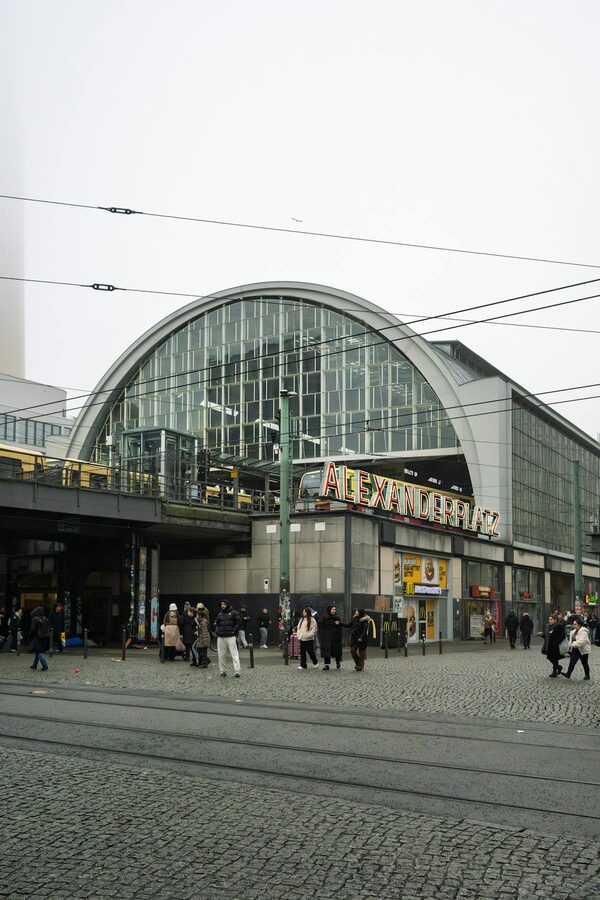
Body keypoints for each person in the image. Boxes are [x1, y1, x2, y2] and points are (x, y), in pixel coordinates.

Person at [214, 600, 242, 677]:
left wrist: (233, 631)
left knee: (234, 654)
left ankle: (237, 671)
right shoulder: (220, 614)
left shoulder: (234, 613)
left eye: (224, 604)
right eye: (221, 604)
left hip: (231, 637)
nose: (222, 605)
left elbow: (239, 623)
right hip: (221, 637)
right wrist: (217, 632)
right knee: (221, 655)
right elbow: (217, 624)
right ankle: (222, 671)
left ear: (227, 604)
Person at [562, 616, 591, 680]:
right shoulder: (572, 632)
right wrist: (569, 646)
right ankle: (568, 674)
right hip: (575, 650)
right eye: (573, 624)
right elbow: (570, 641)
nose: (573, 625)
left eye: (575, 624)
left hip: (583, 650)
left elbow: (582, 642)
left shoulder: (583, 632)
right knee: (572, 662)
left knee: (584, 663)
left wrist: (573, 644)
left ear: (579, 625)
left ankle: (587, 675)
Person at [319, 605, 343, 670]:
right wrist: (323, 633)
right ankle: (327, 665)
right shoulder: (324, 617)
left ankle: (338, 662)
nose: (334, 611)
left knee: (336, 650)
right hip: (326, 637)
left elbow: (339, 627)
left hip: (335, 637)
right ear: (329, 610)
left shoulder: (337, 617)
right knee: (327, 651)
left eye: (335, 609)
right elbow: (321, 626)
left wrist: (339, 635)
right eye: (333, 609)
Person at [28, 605, 50, 671]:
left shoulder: (35, 619)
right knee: (38, 651)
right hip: (46, 637)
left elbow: (33, 629)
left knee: (40, 652)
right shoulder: (45, 618)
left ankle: (45, 665)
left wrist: (30, 635)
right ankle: (34, 665)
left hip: (38, 637)